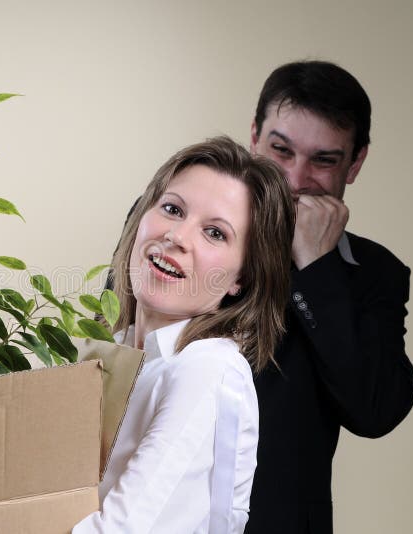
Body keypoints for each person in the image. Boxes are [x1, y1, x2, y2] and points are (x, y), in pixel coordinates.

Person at [74, 136, 295, 534]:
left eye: (215, 233)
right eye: (172, 209)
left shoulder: (207, 368)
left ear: (242, 277)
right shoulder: (109, 349)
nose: (177, 236)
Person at [244, 61, 413, 534]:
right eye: (281, 150)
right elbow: (120, 352)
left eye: (323, 160)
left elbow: (376, 411)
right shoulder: (174, 222)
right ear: (253, 137)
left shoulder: (376, 273)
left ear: (355, 164)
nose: (296, 180)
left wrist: (318, 270)